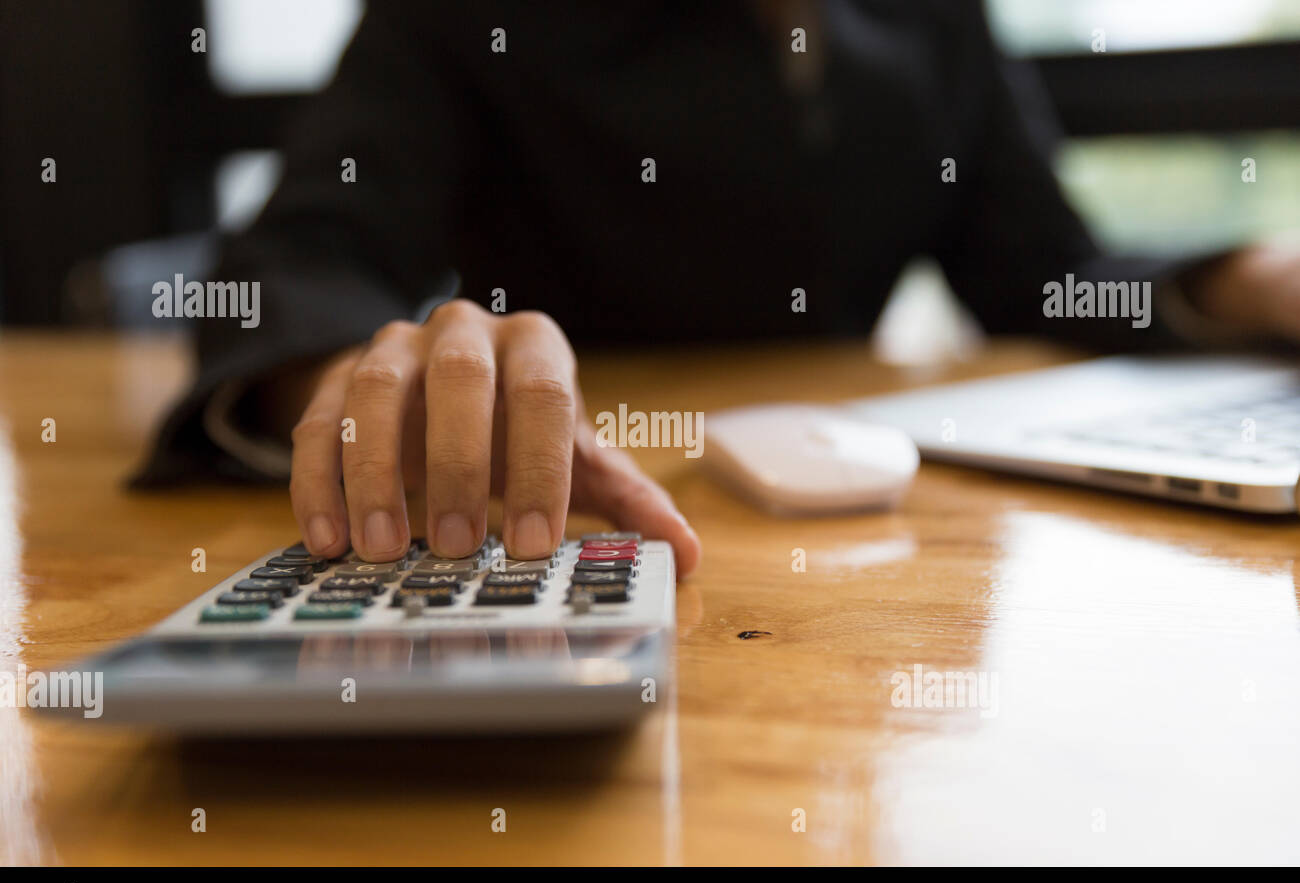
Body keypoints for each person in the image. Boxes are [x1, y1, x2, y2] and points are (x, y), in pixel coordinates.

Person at [135, 0, 1300, 578]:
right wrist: (351, 372)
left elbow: (1044, 272)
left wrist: (1244, 278)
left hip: (879, 564)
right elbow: (291, 259)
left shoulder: (933, 18)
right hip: (583, 506)